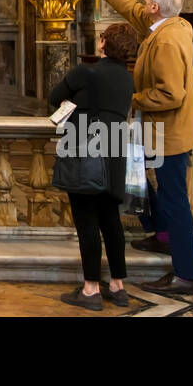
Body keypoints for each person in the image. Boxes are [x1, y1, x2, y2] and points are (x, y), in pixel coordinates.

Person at [71, 0, 193, 295]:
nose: (142, 2)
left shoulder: (168, 41)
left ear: (155, 9)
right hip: (155, 128)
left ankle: (186, 273)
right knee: (137, 180)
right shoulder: (167, 26)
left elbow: (172, 94)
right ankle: (160, 233)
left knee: (175, 200)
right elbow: (130, 7)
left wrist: (130, 99)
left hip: (169, 133)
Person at [50, 23, 141, 311]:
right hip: (114, 152)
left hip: (85, 150)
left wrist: (76, 103)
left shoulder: (85, 72)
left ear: (104, 43)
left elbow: (54, 99)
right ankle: (117, 285)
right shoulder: (128, 80)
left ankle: (90, 289)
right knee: (111, 220)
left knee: (87, 222)